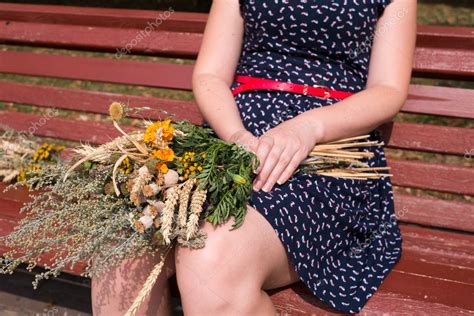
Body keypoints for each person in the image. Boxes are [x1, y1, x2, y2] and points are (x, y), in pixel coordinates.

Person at [92, 0, 417, 314]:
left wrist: (309, 128)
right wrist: (235, 136)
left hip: (326, 149)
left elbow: (388, 89)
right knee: (122, 240)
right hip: (232, 134)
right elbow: (210, 75)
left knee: (210, 259)